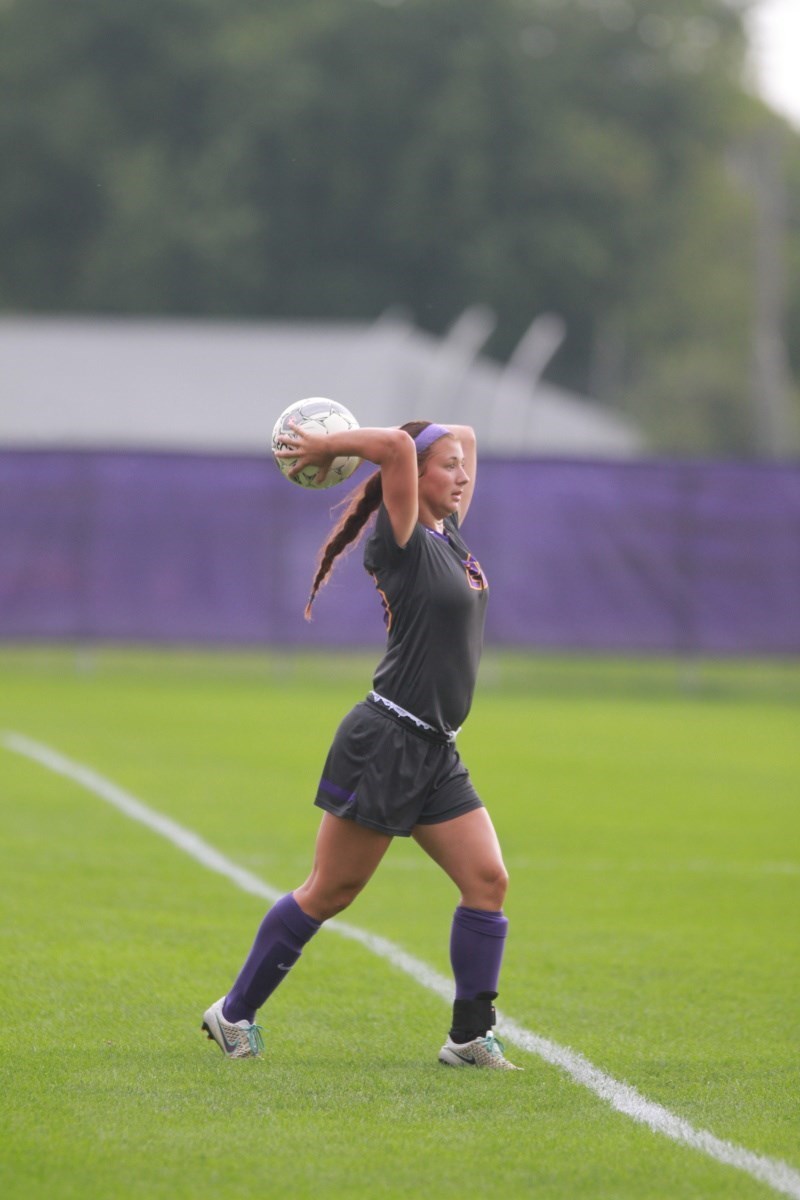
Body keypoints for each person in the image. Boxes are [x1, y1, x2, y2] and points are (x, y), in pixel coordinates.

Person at [202, 419, 519, 1070]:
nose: (461, 476)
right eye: (448, 468)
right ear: (413, 481)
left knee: (487, 880)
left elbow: (458, 433)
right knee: (329, 892)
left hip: (435, 752)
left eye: (463, 468)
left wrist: (448, 443)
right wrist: (331, 445)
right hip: (386, 742)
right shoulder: (401, 540)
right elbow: (399, 449)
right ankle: (233, 1014)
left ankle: (468, 1038)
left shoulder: (449, 535)